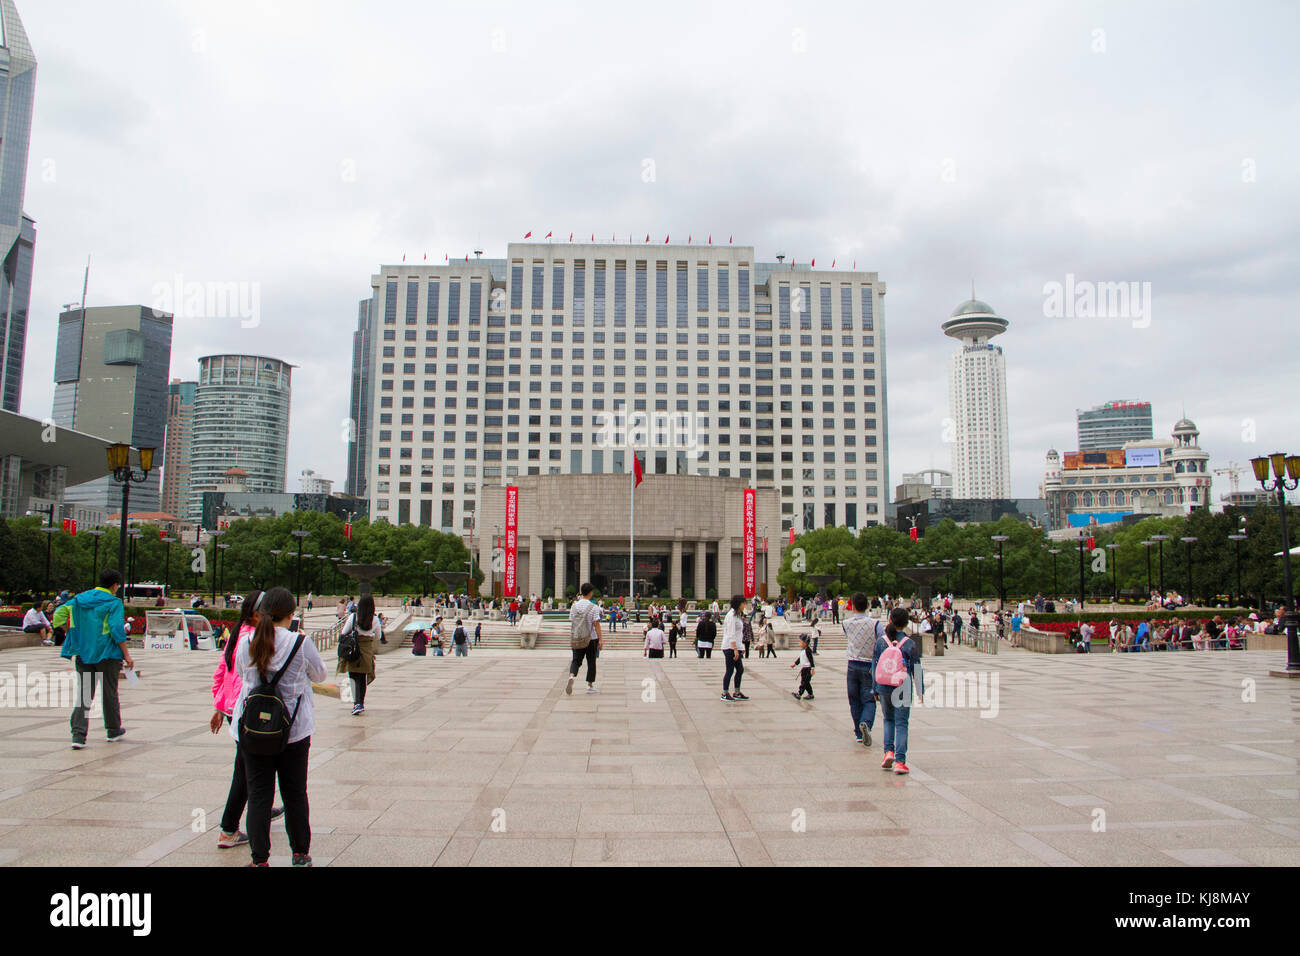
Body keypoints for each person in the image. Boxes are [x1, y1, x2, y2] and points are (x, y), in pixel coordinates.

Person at [231, 586, 326, 867]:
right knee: (295, 792)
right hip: (292, 729)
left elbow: (240, 674)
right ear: (290, 613)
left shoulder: (248, 641)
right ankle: (300, 853)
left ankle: (259, 860)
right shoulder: (299, 642)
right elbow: (319, 674)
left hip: (251, 730)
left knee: (259, 794)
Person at [210, 591, 285, 848]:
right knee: (244, 773)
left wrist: (219, 707)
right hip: (248, 711)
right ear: (256, 614)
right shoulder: (251, 638)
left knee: (247, 768)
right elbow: (243, 678)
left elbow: (223, 672)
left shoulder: (237, 632)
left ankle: (259, 810)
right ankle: (229, 828)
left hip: (236, 709)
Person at [62, 569, 134, 750]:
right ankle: (113, 730)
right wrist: (126, 654)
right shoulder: (113, 602)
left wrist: (69, 632)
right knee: (109, 693)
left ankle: (78, 735)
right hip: (107, 654)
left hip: (84, 653)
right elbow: (117, 628)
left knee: (84, 694)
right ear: (114, 585)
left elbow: (59, 614)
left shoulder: (80, 599)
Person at [874, 607, 920, 775]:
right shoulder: (909, 643)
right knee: (901, 723)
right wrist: (920, 690)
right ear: (907, 623)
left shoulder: (880, 642)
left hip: (884, 685)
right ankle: (900, 762)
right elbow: (917, 668)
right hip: (903, 687)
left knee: (888, 720)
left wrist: (875, 688)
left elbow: (875, 665)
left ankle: (888, 752)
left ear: (890, 620)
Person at [843, 592, 882, 747]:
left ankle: (859, 733)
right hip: (869, 665)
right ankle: (865, 723)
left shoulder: (846, 623)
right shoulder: (875, 624)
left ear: (852, 606)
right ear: (867, 606)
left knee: (854, 700)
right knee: (869, 699)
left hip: (852, 664)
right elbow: (882, 641)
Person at [338, 595, 380, 715]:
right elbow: (378, 636)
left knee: (353, 678)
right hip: (366, 651)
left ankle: (356, 703)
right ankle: (360, 702)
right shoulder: (375, 619)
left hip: (354, 650)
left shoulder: (353, 617)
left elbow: (344, 632)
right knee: (362, 679)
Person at [567, 582, 603, 695]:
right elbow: (596, 623)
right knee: (591, 662)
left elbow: (572, 620)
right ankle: (590, 685)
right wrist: (600, 639)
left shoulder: (574, 606)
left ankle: (572, 676)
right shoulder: (594, 607)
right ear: (591, 593)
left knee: (576, 660)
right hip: (591, 639)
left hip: (577, 637)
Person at [721, 595, 748, 702]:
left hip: (735, 646)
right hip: (729, 647)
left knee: (740, 669)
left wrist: (741, 647)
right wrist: (735, 649)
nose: (745, 605)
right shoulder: (731, 615)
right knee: (730, 670)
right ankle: (724, 693)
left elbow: (738, 634)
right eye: (744, 603)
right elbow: (731, 633)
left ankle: (737, 692)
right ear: (739, 604)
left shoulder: (737, 615)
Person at [790, 633, 815, 700]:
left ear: (805, 643)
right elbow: (800, 659)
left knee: (804, 682)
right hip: (804, 669)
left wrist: (812, 669)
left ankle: (799, 694)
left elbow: (811, 660)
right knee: (806, 683)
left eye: (800, 642)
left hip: (808, 669)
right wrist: (795, 664)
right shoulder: (803, 651)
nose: (799, 643)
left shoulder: (808, 651)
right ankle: (810, 694)